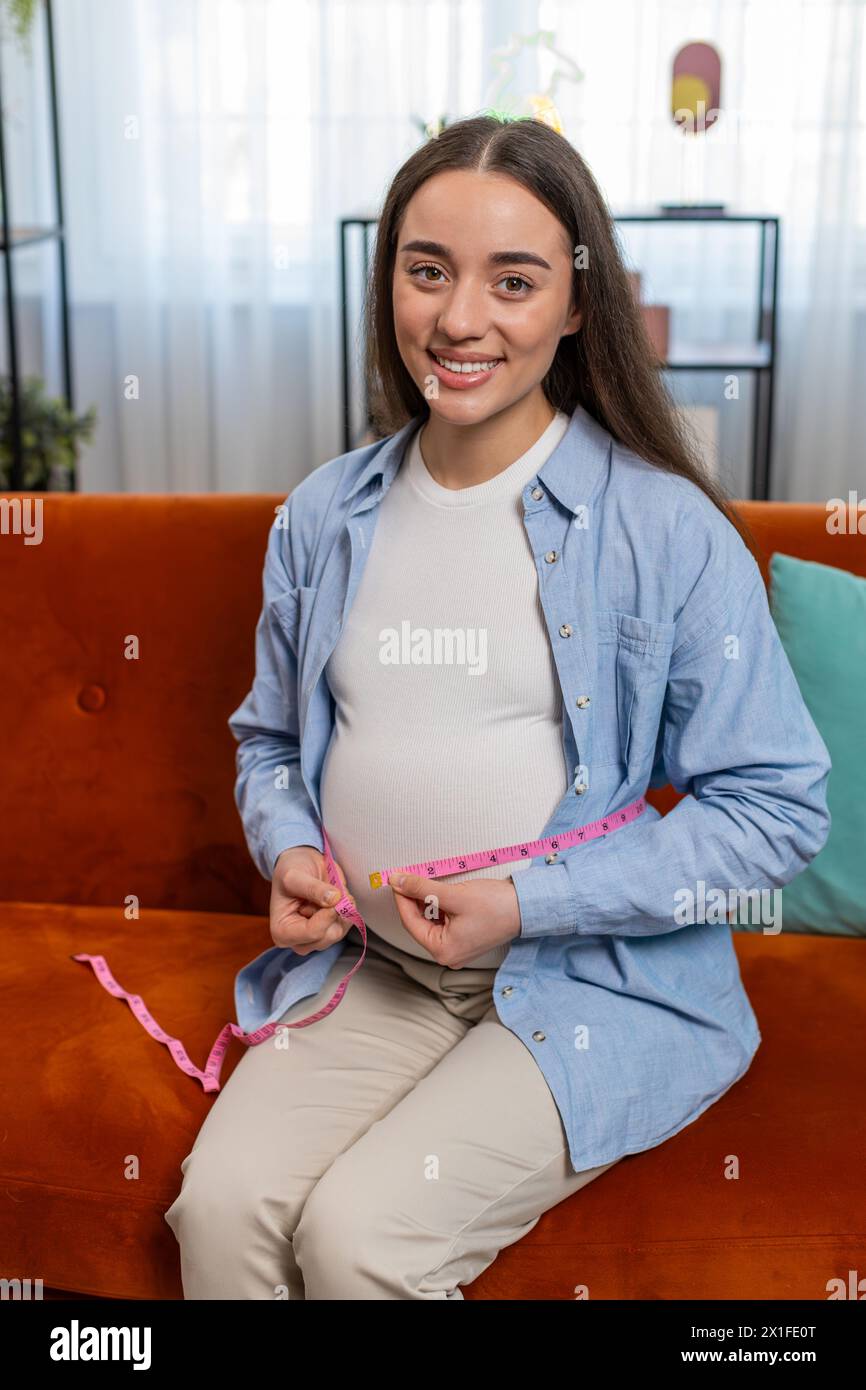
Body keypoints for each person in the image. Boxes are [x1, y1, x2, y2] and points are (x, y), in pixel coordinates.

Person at [164, 113, 831, 1300]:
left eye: (511, 281)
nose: (459, 320)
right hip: (374, 969)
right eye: (427, 271)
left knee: (360, 1238)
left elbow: (774, 807)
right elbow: (267, 741)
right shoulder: (320, 517)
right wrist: (291, 846)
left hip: (588, 982)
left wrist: (529, 901)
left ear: (575, 305)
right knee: (215, 1211)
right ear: (388, 283)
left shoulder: (663, 531)